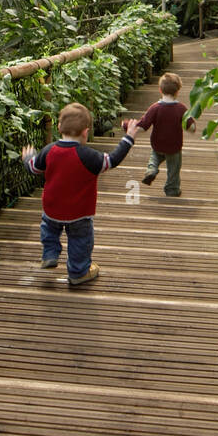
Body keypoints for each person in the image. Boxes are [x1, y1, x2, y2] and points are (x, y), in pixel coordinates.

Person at [21, 102, 140, 286]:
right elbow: (112, 160)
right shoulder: (88, 156)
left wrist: (28, 157)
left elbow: (33, 168)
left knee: (49, 228)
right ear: (86, 131)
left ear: (59, 127)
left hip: (52, 209)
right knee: (80, 240)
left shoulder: (49, 150)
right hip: (79, 214)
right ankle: (78, 271)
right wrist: (129, 137)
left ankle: (50, 253)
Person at [135, 72, 197, 197]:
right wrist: (190, 126)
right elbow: (192, 127)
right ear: (177, 91)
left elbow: (142, 126)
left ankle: (151, 170)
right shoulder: (181, 109)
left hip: (158, 144)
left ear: (160, 90)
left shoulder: (155, 108)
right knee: (174, 169)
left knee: (155, 157)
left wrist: (127, 126)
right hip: (174, 146)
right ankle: (172, 189)